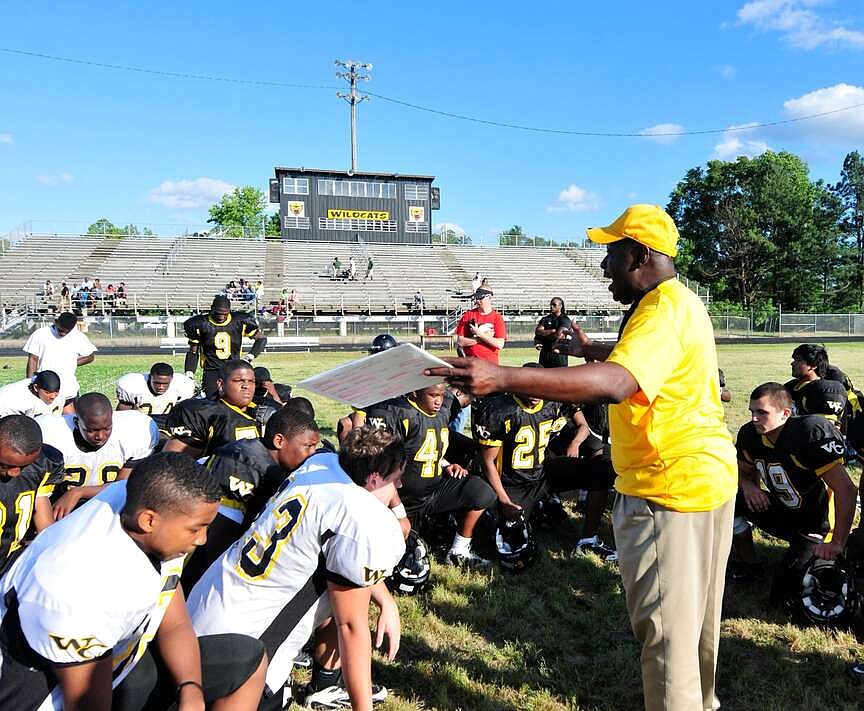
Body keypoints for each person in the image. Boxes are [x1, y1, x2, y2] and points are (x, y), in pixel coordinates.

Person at [428, 204, 738, 711]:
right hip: (705, 483)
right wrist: (590, 349)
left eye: (611, 254)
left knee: (666, 641)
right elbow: (630, 360)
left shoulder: (661, 309)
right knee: (694, 631)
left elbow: (617, 384)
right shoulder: (681, 303)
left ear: (638, 255)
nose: (603, 267)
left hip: (669, 492)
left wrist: (501, 377)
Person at [0, 452, 268, 711]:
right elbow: (85, 702)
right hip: (47, 693)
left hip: (115, 663)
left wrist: (190, 690)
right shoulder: (74, 587)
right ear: (148, 520)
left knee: (247, 657)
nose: (202, 539)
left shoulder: (145, 512)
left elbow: (174, 620)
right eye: (195, 528)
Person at [187, 427, 406, 711]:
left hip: (211, 602)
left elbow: (326, 545)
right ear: (374, 479)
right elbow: (351, 627)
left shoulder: (323, 464)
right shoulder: (358, 517)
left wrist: (385, 599)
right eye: (396, 479)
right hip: (249, 645)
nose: (399, 487)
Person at [731, 383, 856, 600]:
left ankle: (836, 553)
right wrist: (748, 486)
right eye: (752, 411)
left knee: (784, 595)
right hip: (785, 511)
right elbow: (736, 471)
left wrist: (837, 542)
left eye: (762, 412)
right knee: (728, 498)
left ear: (785, 413)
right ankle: (750, 563)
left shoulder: (808, 432)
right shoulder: (750, 435)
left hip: (817, 522)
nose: (754, 418)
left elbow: (846, 489)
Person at [181, 409, 321, 590]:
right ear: (279, 441)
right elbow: (219, 533)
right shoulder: (246, 466)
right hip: (196, 559)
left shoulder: (256, 453)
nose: (313, 453)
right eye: (308, 446)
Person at [367, 383, 496, 568]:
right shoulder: (397, 413)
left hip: (434, 490)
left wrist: (445, 464)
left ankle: (459, 551)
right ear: (414, 391)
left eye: (441, 395)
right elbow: (383, 469)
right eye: (433, 395)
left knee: (481, 492)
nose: (438, 401)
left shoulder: (444, 408)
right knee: (399, 558)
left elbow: (431, 447)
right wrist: (398, 511)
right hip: (405, 500)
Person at [38, 392, 160, 518]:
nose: (100, 436)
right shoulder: (53, 436)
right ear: (76, 421)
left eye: (107, 428)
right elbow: (40, 496)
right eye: (91, 430)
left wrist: (78, 492)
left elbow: (122, 486)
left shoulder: (133, 432)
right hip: (60, 505)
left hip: (109, 505)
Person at [0, 415, 65, 567]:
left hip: (13, 556)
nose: (14, 473)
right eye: (5, 465)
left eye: (23, 467)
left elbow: (40, 501)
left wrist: (49, 548)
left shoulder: (44, 463)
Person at [164, 360, 261, 458]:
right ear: (221, 384)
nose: (246, 386)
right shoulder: (203, 413)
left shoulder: (267, 408)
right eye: (239, 381)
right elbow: (172, 463)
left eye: (251, 381)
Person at [183, 295, 267, 397]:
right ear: (211, 309)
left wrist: (249, 357)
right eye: (218, 313)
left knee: (234, 400)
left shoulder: (239, 321)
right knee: (212, 402)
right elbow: (193, 351)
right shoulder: (200, 324)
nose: (221, 317)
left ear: (229, 311)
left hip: (233, 369)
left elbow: (261, 339)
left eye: (224, 314)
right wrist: (189, 374)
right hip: (211, 370)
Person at [452, 287, 506, 435]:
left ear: (489, 297)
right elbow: (459, 340)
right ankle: (456, 437)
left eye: (481, 297)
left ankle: (491, 434)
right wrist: (479, 337)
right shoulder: (469, 315)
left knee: (491, 407)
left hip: (490, 371)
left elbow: (499, 344)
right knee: (463, 406)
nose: (477, 301)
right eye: (476, 298)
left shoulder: (497, 318)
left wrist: (480, 335)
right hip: (469, 369)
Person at [23, 312, 97, 413]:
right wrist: (29, 382)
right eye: (61, 330)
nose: (63, 334)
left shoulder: (78, 337)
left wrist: (71, 363)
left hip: (68, 390)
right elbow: (33, 359)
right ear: (56, 322)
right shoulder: (41, 334)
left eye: (67, 332)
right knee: (44, 423)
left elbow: (90, 356)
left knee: (71, 424)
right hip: (46, 390)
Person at [116, 362, 196, 430]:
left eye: (165, 383)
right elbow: (122, 418)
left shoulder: (181, 387)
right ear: (150, 378)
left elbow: (183, 415)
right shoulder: (134, 386)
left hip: (166, 426)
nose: (161, 387)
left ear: (171, 380)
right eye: (157, 383)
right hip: (139, 427)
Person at [784, 343, 846, 424]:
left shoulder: (824, 390)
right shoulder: (791, 386)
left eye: (798, 360)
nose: (792, 363)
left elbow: (823, 429)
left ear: (813, 365)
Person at [534, 297, 572, 368]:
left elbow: (559, 335)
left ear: (561, 306)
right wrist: (552, 331)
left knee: (560, 377)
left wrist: (544, 336)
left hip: (559, 355)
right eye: (551, 304)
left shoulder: (565, 320)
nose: (551, 306)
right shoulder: (545, 319)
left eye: (554, 305)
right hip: (545, 355)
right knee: (543, 377)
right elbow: (538, 331)